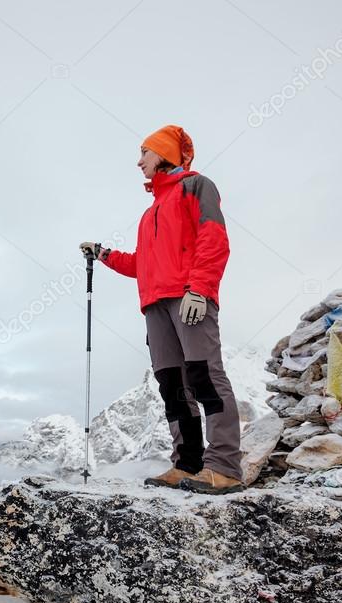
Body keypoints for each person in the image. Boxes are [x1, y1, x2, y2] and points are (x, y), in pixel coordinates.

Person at [80, 124, 243, 494]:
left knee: (205, 377)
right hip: (154, 306)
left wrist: (199, 290)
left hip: (188, 298)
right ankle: (188, 463)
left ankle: (225, 467)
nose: (139, 162)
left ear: (164, 153)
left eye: (144, 153)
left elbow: (213, 238)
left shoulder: (196, 186)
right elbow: (143, 264)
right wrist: (103, 254)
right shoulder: (151, 211)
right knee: (172, 385)